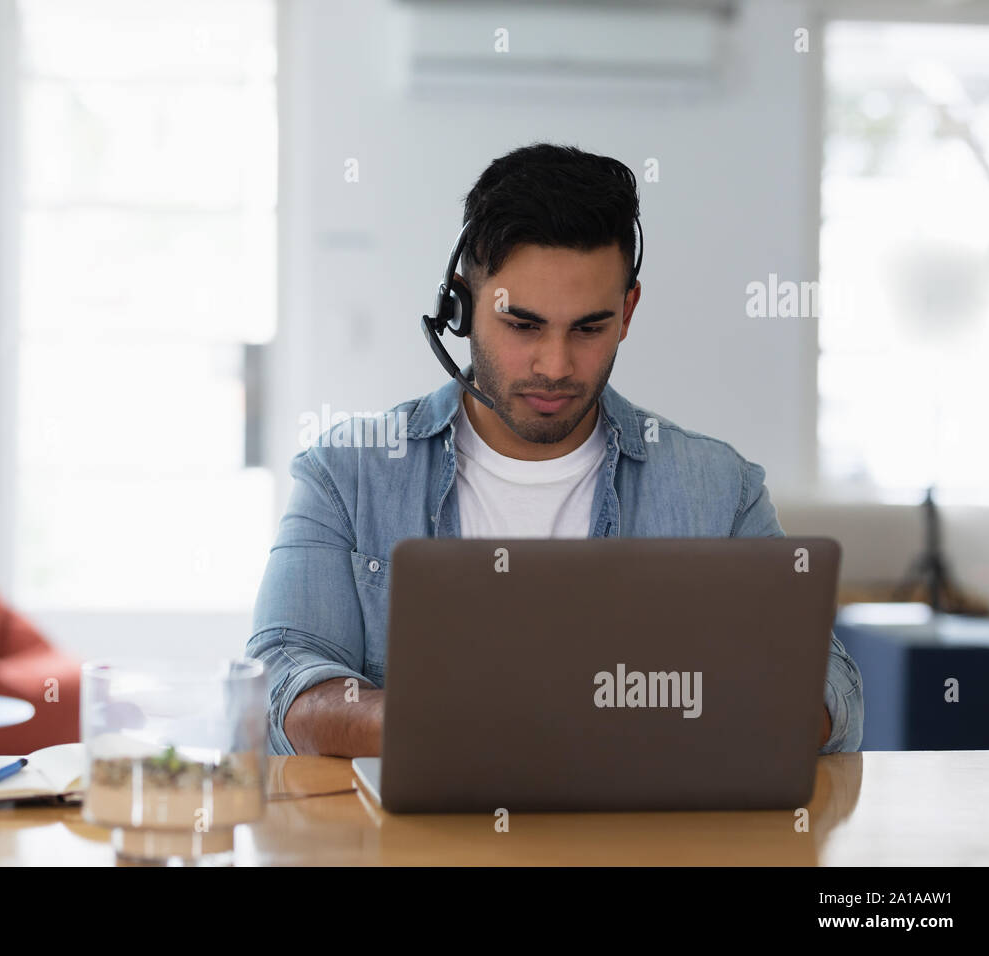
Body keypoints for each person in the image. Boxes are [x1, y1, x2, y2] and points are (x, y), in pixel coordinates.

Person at [247, 142, 863, 758]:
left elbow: (828, 690)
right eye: (523, 325)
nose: (556, 365)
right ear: (461, 306)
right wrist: (443, 724)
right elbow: (280, 679)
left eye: (589, 328)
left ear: (627, 311)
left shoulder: (720, 488)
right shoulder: (346, 473)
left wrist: (675, 720)